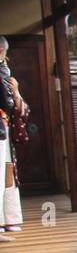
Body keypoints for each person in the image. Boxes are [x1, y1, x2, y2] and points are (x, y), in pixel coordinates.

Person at [0, 35, 25, 237]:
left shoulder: (4, 70)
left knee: (6, 174)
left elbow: (12, 103)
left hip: (3, 127)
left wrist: (15, 93)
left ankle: (8, 219)